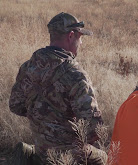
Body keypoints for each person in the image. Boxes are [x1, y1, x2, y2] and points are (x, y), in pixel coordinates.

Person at [9, 12, 105, 164]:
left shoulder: (29, 66)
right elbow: (94, 129)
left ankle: (32, 155)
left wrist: (43, 117)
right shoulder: (76, 74)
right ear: (71, 36)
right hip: (68, 155)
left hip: (42, 147)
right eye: (80, 38)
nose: (81, 43)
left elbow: (15, 106)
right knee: (105, 157)